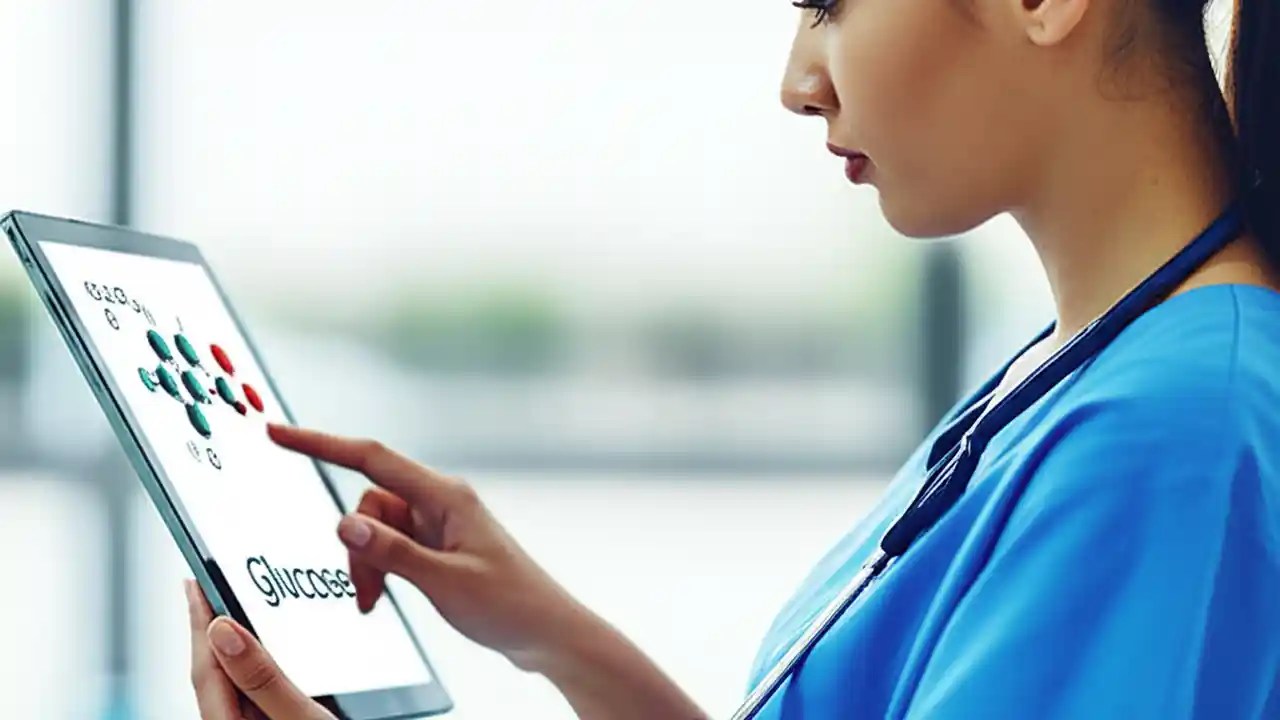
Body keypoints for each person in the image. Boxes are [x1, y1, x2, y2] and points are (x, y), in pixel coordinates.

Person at [186, 0, 1280, 716]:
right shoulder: (1089, 370)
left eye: (826, 5)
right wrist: (548, 631)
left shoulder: (1164, 434)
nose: (797, 79)